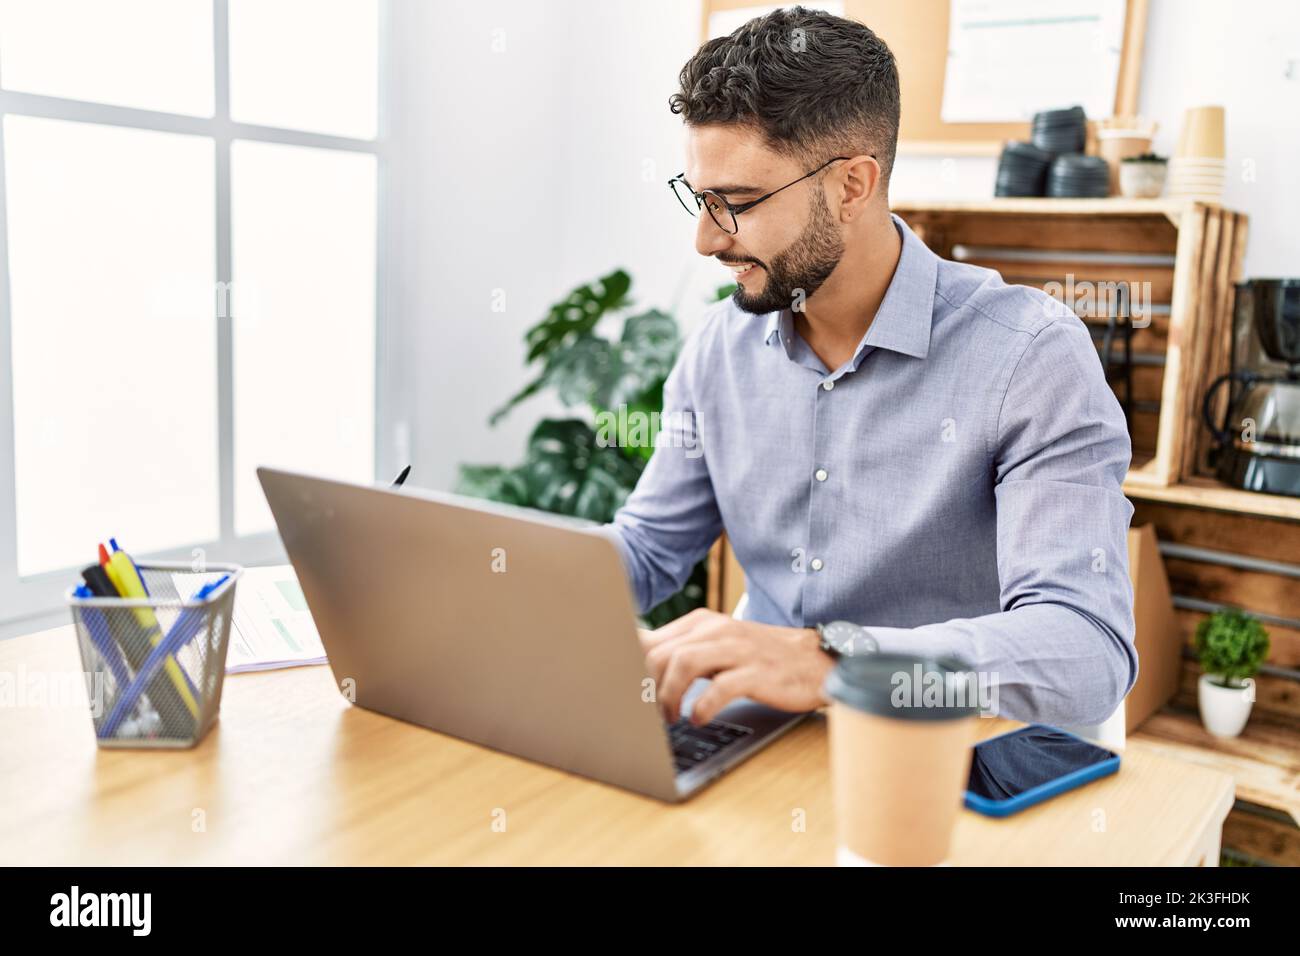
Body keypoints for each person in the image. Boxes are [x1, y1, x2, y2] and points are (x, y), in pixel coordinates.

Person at [598, 6, 1137, 730]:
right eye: (699, 200)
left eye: (739, 203)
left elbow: (1085, 650)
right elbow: (648, 547)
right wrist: (496, 576)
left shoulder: (1030, 357)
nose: (704, 239)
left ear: (852, 185)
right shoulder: (719, 351)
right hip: (755, 742)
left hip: (941, 764)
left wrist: (832, 662)